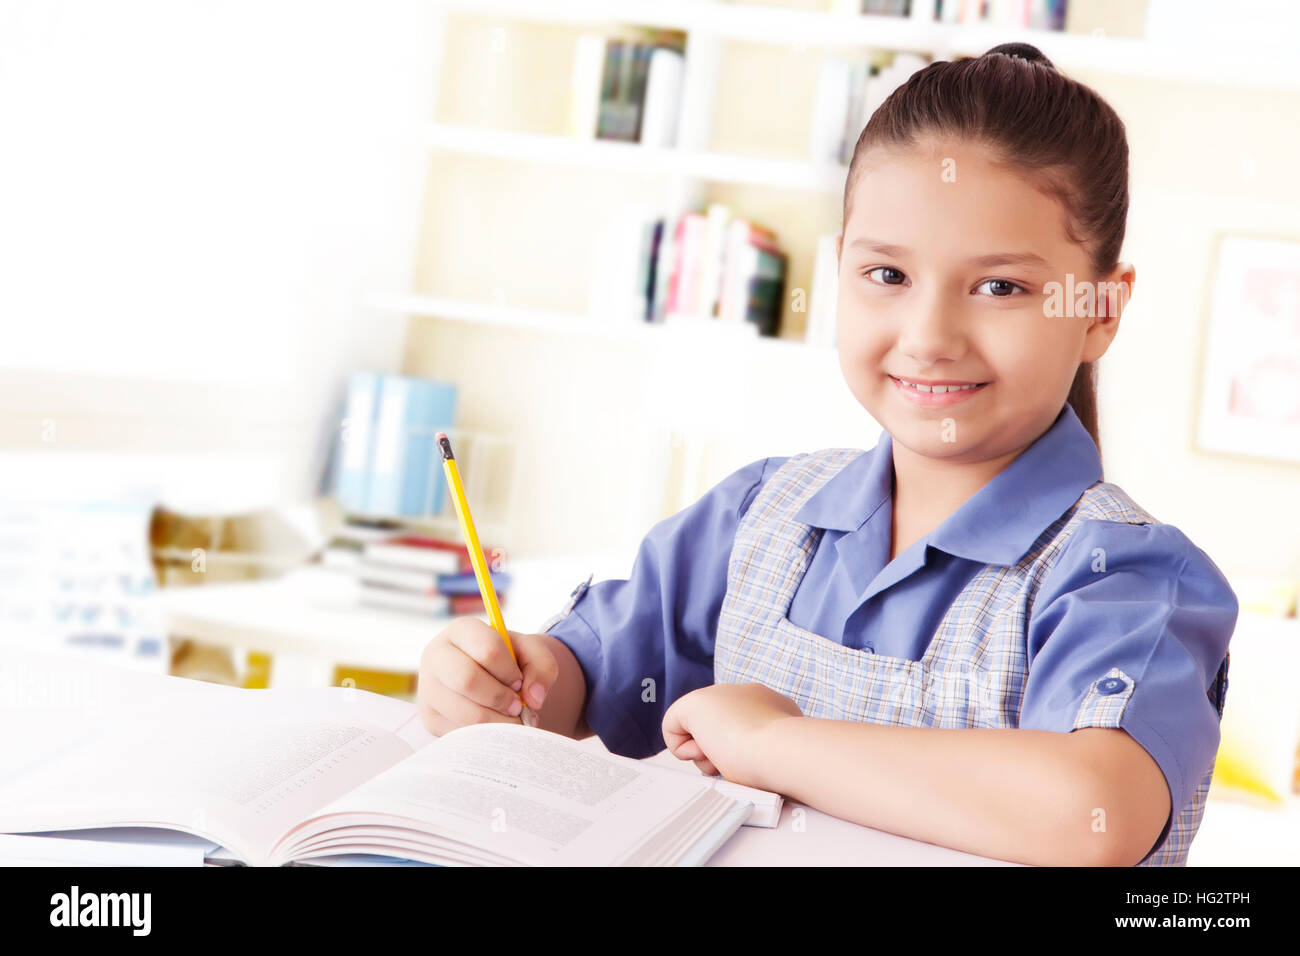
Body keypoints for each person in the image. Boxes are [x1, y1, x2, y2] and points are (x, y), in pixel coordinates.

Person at [416, 43, 1236, 867]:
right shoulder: (761, 513)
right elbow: (576, 684)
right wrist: (498, 681)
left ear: (1099, 309)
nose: (929, 338)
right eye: (887, 274)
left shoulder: (1125, 575)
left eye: (999, 288)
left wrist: (775, 742)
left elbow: (1089, 812)